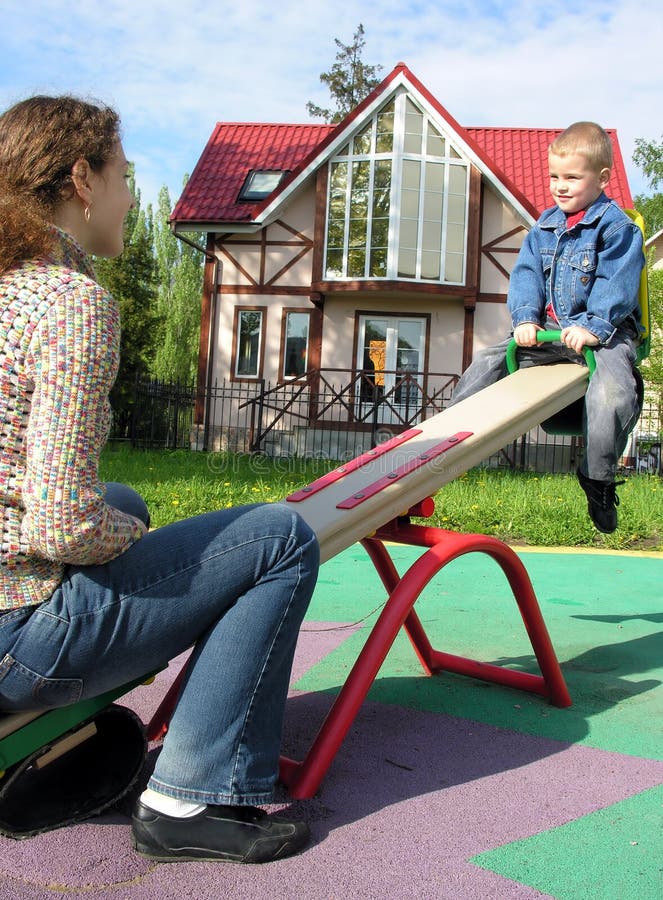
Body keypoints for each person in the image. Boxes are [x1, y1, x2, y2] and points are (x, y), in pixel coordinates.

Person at [0, 96, 320, 863]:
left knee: (123, 495)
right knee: (279, 537)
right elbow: (59, 525)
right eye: (123, 174)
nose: (128, 193)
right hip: (14, 636)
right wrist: (136, 542)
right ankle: (190, 797)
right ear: (82, 179)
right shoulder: (70, 303)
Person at [450, 121, 645, 533]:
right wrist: (525, 318)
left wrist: (593, 326)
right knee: (487, 359)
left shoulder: (616, 229)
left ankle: (598, 479)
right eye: (554, 176)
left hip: (604, 336)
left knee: (611, 394)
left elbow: (618, 283)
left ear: (602, 178)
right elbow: (526, 276)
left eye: (572, 177)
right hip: (550, 334)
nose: (560, 185)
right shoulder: (543, 227)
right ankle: (442, 439)